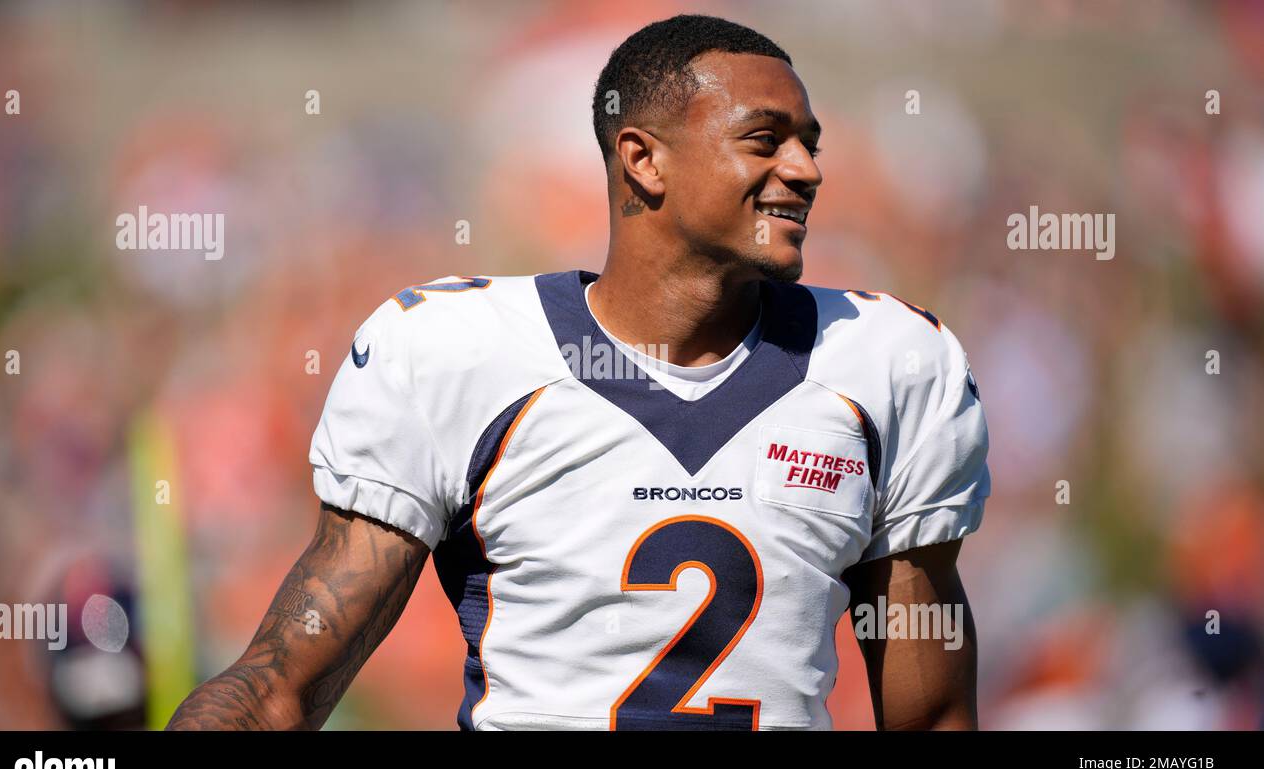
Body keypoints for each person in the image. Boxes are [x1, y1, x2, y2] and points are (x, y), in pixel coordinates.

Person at [167, 14, 991, 731]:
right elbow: (281, 685)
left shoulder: (888, 366)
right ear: (644, 160)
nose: (807, 169)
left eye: (810, 143)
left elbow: (932, 717)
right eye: (765, 139)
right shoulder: (462, 357)